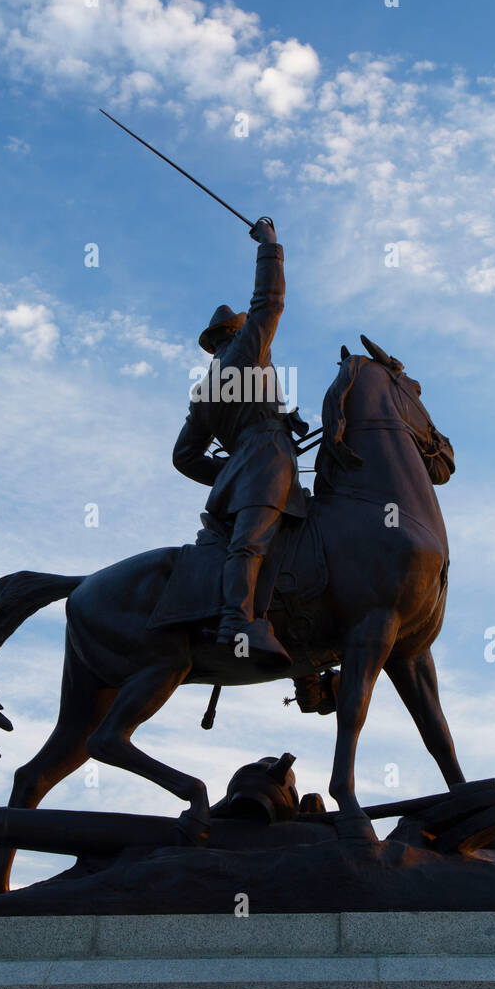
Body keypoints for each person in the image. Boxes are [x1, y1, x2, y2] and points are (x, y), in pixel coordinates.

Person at [172, 217, 308, 662]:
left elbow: (184, 457)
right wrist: (270, 246)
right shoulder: (247, 350)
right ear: (234, 333)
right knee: (251, 541)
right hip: (268, 457)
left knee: (286, 537)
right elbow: (269, 302)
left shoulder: (203, 392)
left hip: (246, 467)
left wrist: (228, 472)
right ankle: (236, 623)